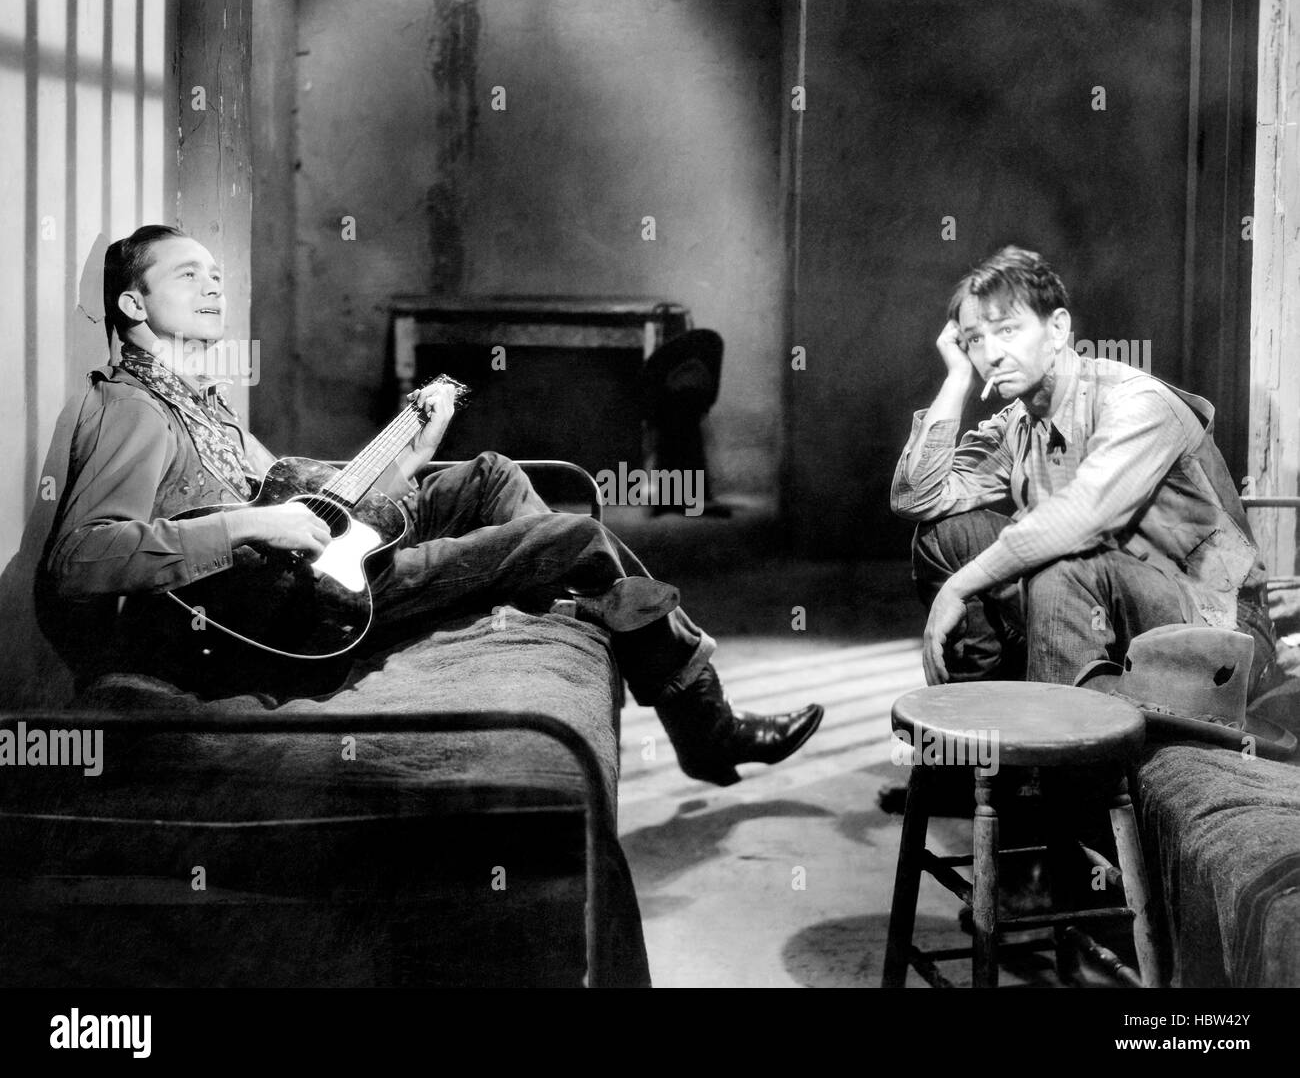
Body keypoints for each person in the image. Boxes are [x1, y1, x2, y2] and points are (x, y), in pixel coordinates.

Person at [37, 225, 823, 787]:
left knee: (487, 472)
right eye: (186, 275)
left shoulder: (206, 401)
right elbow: (83, 558)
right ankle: (701, 714)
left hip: (316, 562)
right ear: (134, 309)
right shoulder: (134, 410)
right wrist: (251, 522)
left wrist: (408, 455)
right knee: (577, 535)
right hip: (288, 618)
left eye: (215, 272)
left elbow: (314, 499)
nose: (213, 284)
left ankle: (607, 609)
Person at [889, 245, 1276, 699]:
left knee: (1066, 568)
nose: (990, 354)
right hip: (1091, 604)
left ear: (1057, 329)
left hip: (1220, 626)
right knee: (947, 535)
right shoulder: (1018, 421)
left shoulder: (1134, 402)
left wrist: (959, 586)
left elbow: (1080, 518)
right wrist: (956, 380)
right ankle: (981, 733)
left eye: (1008, 329)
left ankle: (1060, 760)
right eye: (975, 339)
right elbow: (916, 499)